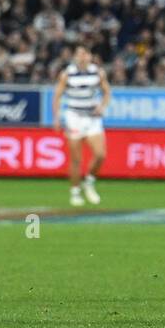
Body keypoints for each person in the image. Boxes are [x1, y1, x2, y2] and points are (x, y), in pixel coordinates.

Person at [51, 45, 110, 207]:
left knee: (100, 154)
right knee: (76, 159)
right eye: (79, 54)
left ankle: (89, 181)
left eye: (85, 54)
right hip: (74, 116)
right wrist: (56, 118)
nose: (82, 57)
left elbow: (106, 92)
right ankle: (75, 192)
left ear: (90, 56)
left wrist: (102, 106)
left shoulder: (97, 72)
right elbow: (57, 96)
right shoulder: (67, 74)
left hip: (92, 117)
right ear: (75, 57)